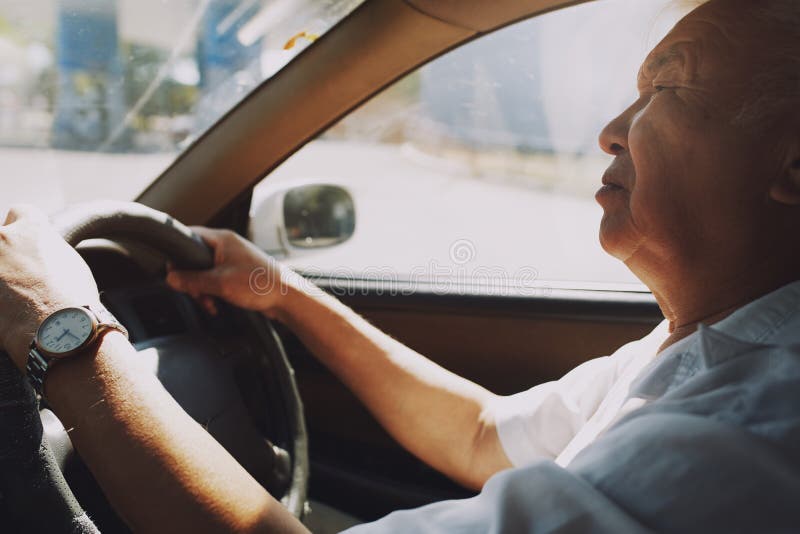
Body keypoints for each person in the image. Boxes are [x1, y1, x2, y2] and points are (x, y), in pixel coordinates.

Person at [1, 0, 800, 531]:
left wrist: (65, 334)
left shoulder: (746, 428)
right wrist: (277, 291)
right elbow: (484, 433)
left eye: (669, 91)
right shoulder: (702, 348)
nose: (612, 131)